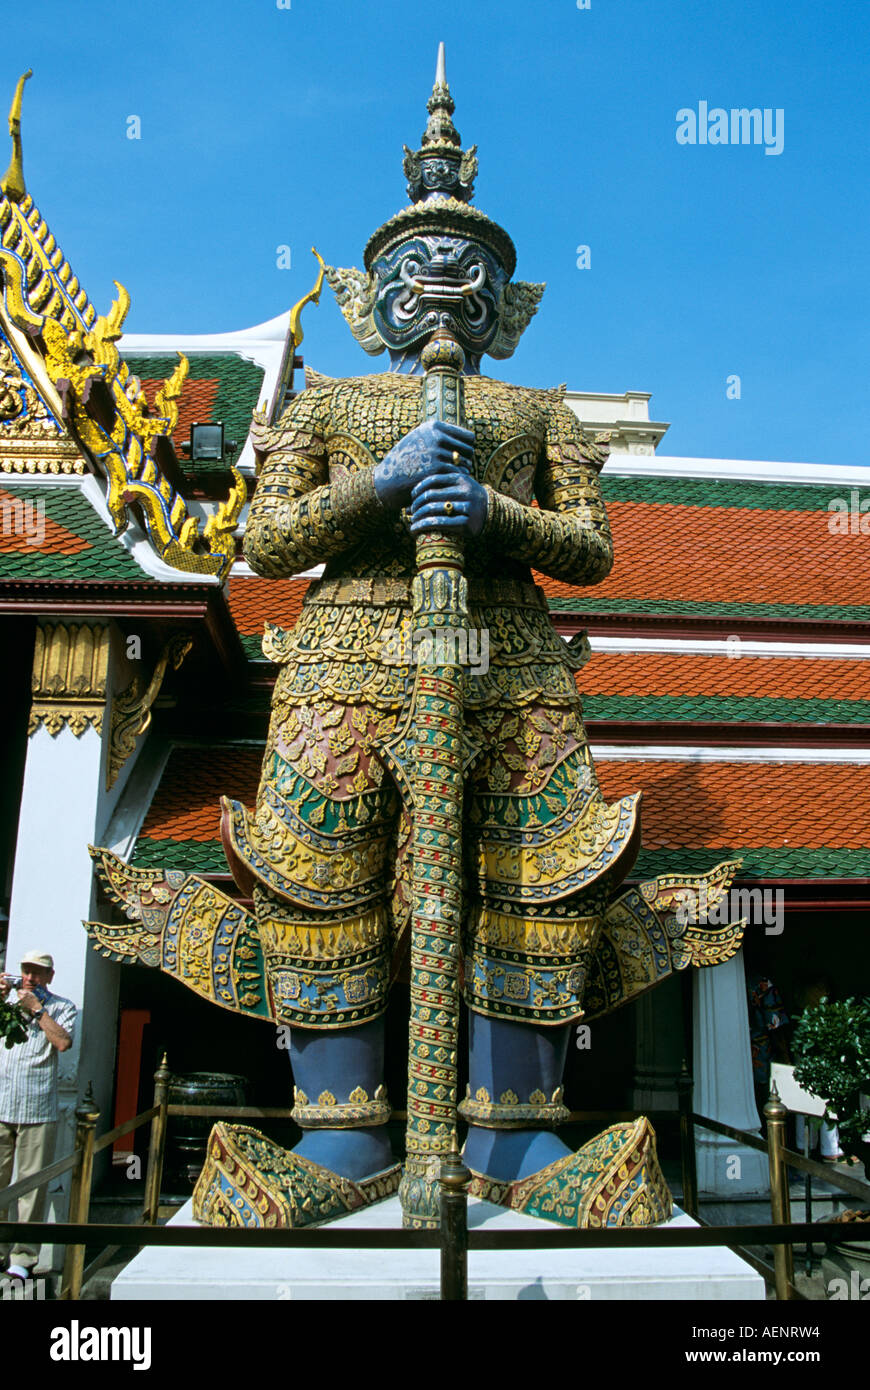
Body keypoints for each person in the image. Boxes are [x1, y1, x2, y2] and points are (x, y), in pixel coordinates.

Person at [0, 950, 76, 1281]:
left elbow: (63, 1043)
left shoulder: (62, 1007)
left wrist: (38, 1010)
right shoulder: (5, 1003)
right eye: (26, 972)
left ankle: (23, 1256)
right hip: (1, 1104)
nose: (30, 978)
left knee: (31, 1187)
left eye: (38, 973)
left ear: (49, 976)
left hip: (36, 1107)